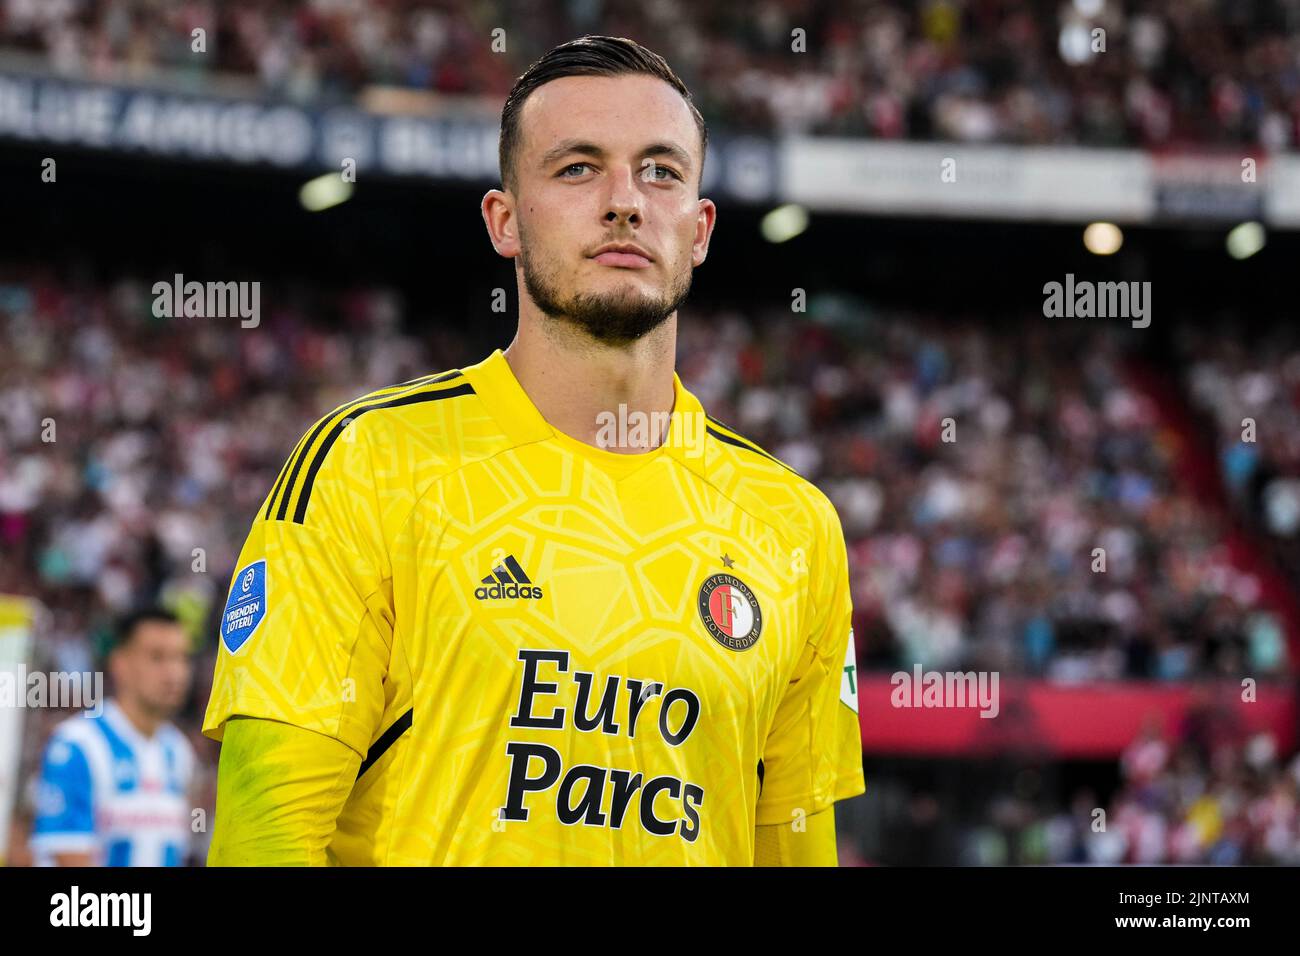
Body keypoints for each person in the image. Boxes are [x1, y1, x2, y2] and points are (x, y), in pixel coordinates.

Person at [203, 35, 863, 865]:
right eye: (578, 168)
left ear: (699, 230)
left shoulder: (793, 527)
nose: (626, 201)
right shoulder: (369, 464)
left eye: (660, 171)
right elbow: (266, 839)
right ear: (504, 221)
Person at [30, 608, 196, 866]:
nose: (174, 673)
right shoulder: (77, 745)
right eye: (157, 657)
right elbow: (68, 856)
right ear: (120, 663)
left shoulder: (179, 752)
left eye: (181, 658)